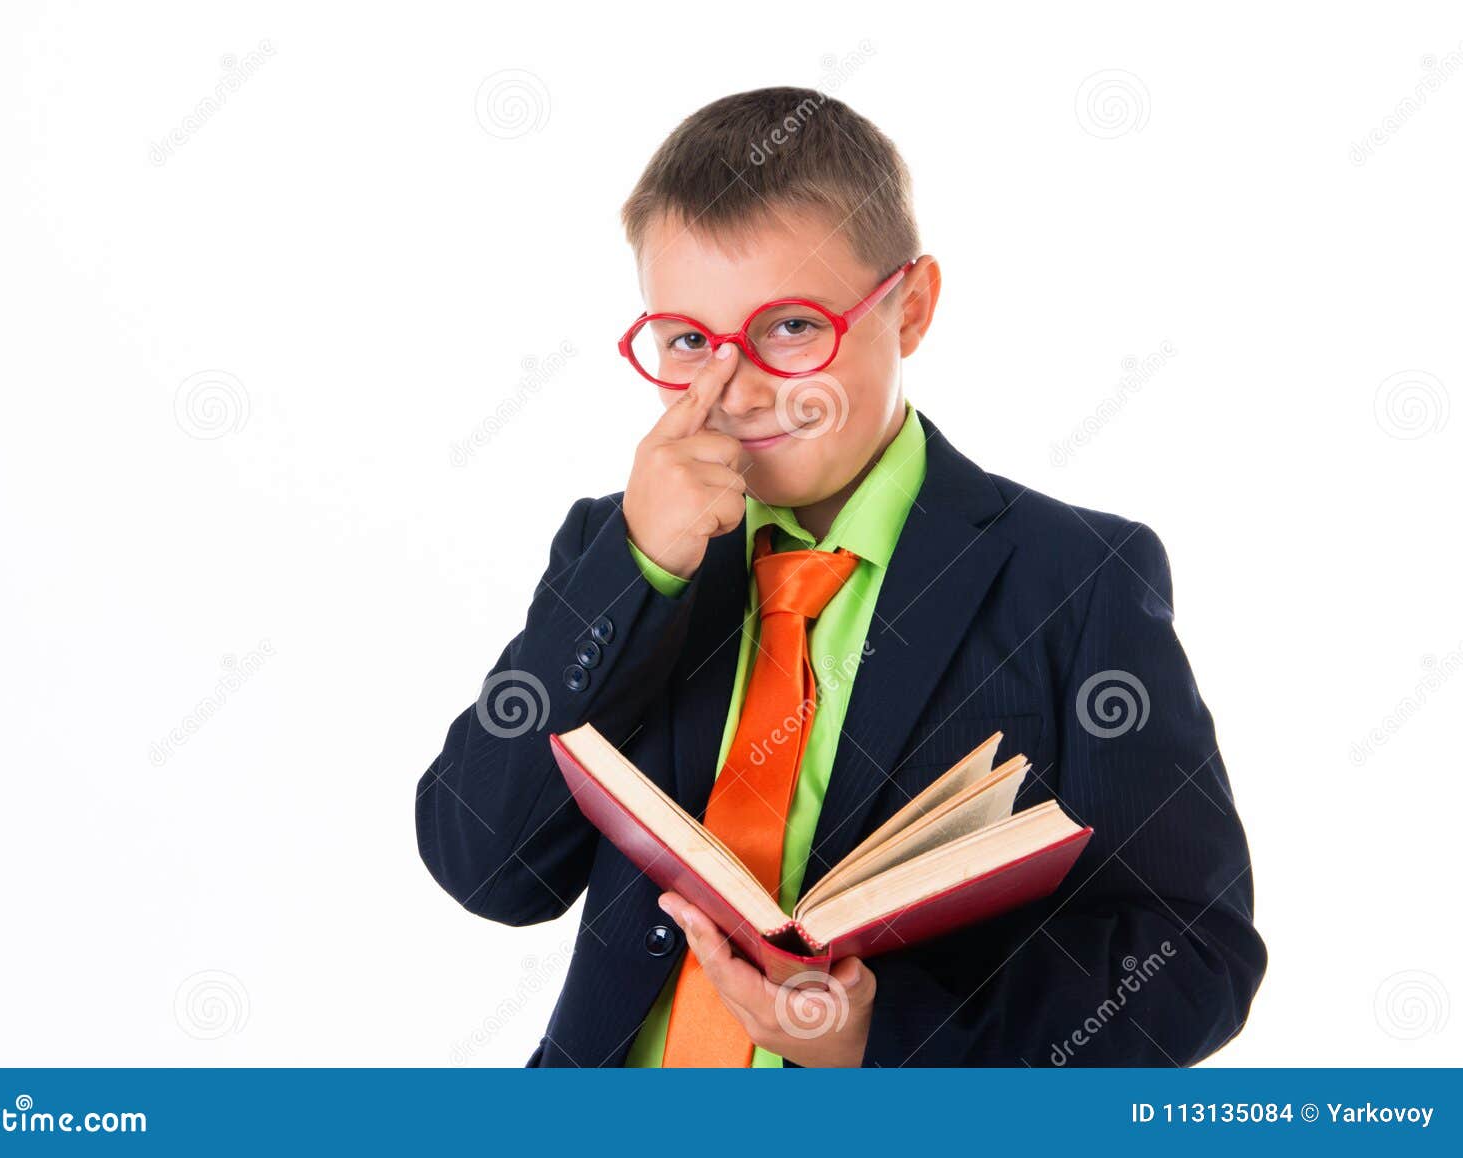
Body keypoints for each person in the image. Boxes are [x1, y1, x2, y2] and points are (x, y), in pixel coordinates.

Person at [416, 87, 1266, 1067]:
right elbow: (486, 868)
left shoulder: (1076, 579)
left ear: (910, 308)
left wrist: (883, 1040)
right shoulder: (622, 549)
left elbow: (1188, 953)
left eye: (788, 328)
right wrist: (636, 570)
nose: (732, 390)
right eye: (688, 340)